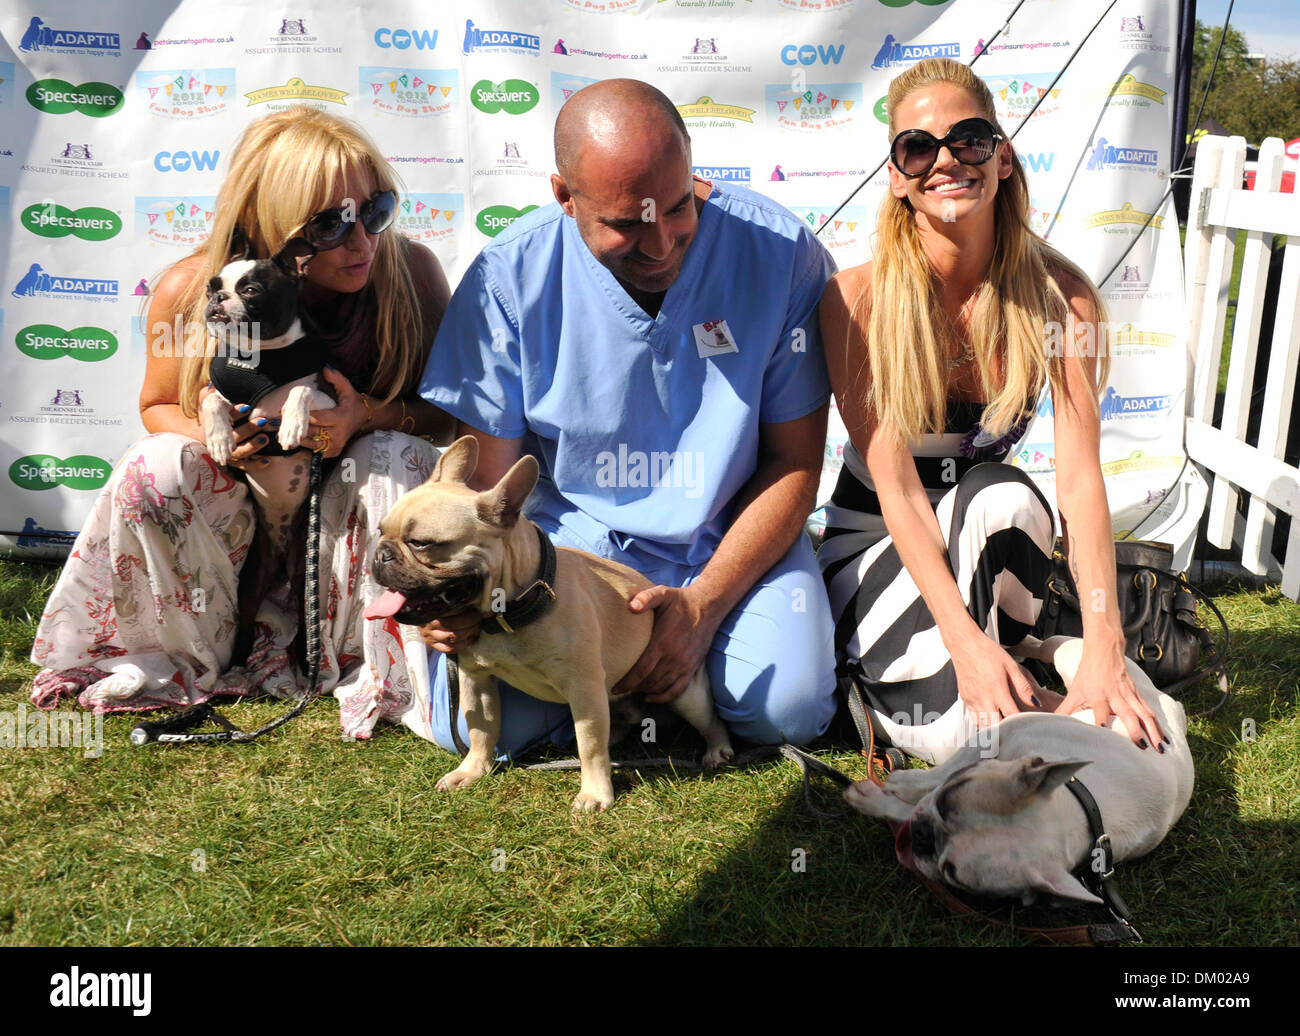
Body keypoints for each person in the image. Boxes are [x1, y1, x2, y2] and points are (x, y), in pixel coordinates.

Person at [418, 79, 838, 758]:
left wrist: (702, 608)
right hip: (577, 550)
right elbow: (487, 501)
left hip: (728, 537)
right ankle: (656, 686)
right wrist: (458, 596)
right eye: (626, 224)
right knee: (477, 730)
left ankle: (663, 673)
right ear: (563, 195)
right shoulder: (507, 278)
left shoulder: (780, 253)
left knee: (785, 712)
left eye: (677, 208)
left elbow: (795, 464)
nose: (663, 243)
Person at [31, 107, 455, 742]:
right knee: (159, 462)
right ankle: (181, 654)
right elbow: (155, 408)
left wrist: (363, 417)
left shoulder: (409, 274)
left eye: (374, 211)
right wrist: (220, 439)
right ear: (270, 225)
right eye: (331, 225)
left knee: (394, 453)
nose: (362, 241)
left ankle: (373, 663)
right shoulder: (191, 288)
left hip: (349, 524)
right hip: (235, 522)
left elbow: (447, 416)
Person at [817, 59, 1165, 765]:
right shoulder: (853, 300)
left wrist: (1108, 645)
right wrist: (965, 644)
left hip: (987, 533)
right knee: (967, 735)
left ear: (1003, 157)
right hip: (878, 539)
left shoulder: (1063, 301)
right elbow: (900, 492)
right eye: (918, 148)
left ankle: (1034, 667)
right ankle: (981, 673)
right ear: (896, 175)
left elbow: (1078, 484)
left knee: (1003, 499)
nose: (945, 161)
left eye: (969, 140)